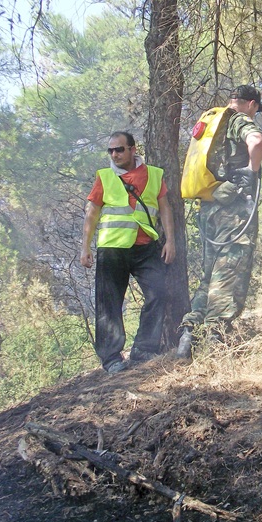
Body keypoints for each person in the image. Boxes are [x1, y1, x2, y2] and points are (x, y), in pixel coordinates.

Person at [176, 85, 262, 358]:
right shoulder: (239, 119)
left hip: (208, 209)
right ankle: (216, 339)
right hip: (233, 210)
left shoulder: (213, 120)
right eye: (256, 110)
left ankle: (189, 332)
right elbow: (257, 140)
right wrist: (252, 170)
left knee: (209, 275)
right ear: (251, 104)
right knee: (230, 273)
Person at [80, 131, 176, 374]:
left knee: (159, 293)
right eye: (111, 150)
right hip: (112, 248)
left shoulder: (154, 175)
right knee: (109, 304)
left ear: (133, 149)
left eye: (119, 149)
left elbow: (165, 209)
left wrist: (170, 241)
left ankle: (144, 348)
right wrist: (85, 247)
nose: (114, 154)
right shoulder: (104, 177)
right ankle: (112, 358)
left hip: (145, 247)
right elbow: (92, 212)